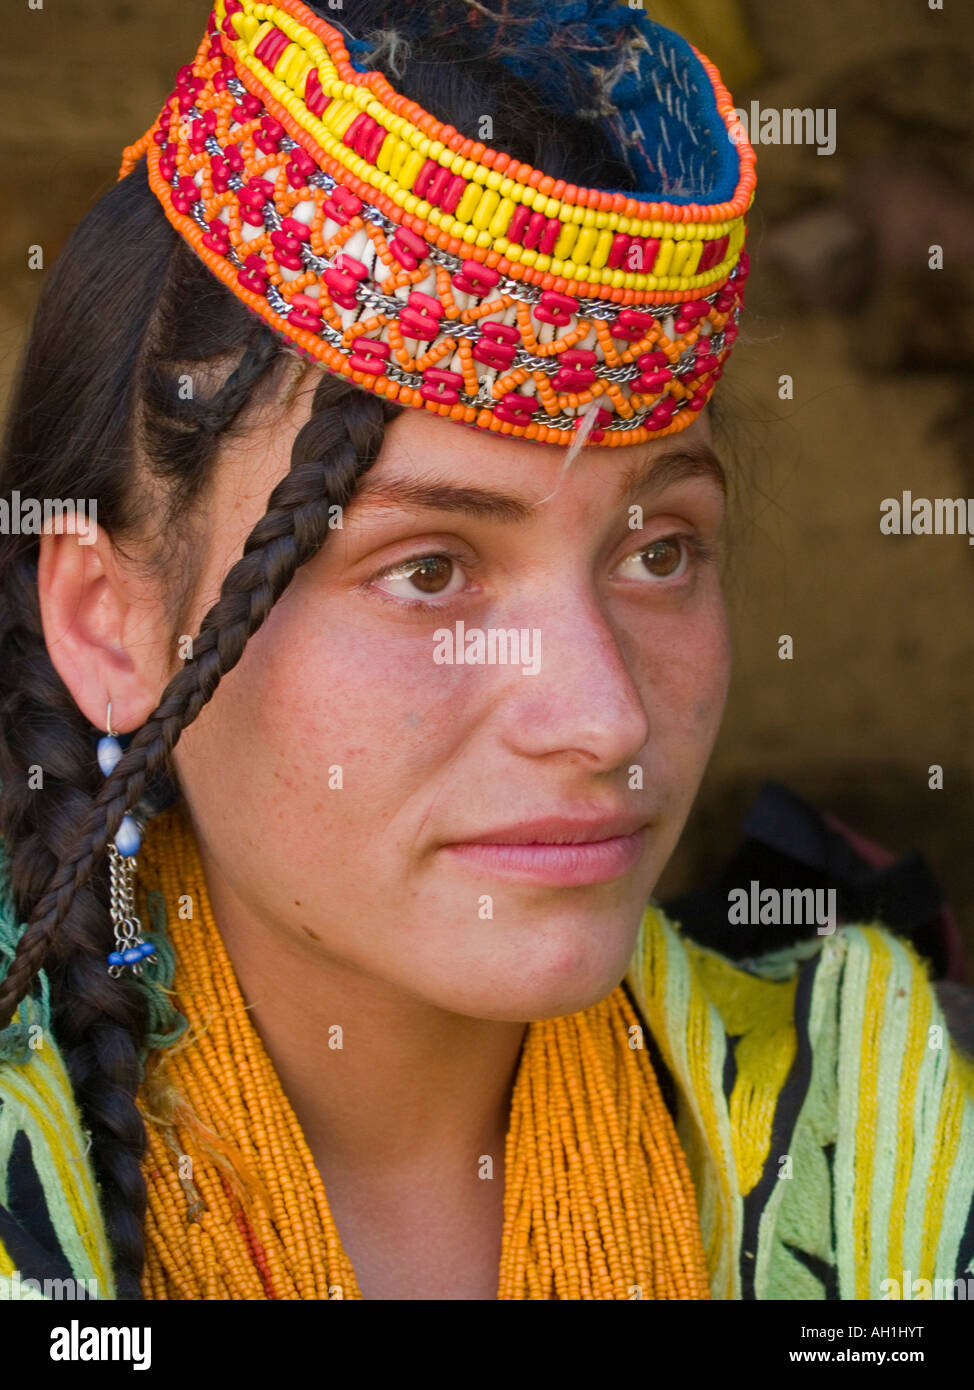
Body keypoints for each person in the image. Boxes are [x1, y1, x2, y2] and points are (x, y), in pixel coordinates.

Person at [0, 0, 970, 1303]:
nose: (603, 715)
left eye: (657, 551)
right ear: (107, 625)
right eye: (429, 570)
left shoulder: (905, 1130)